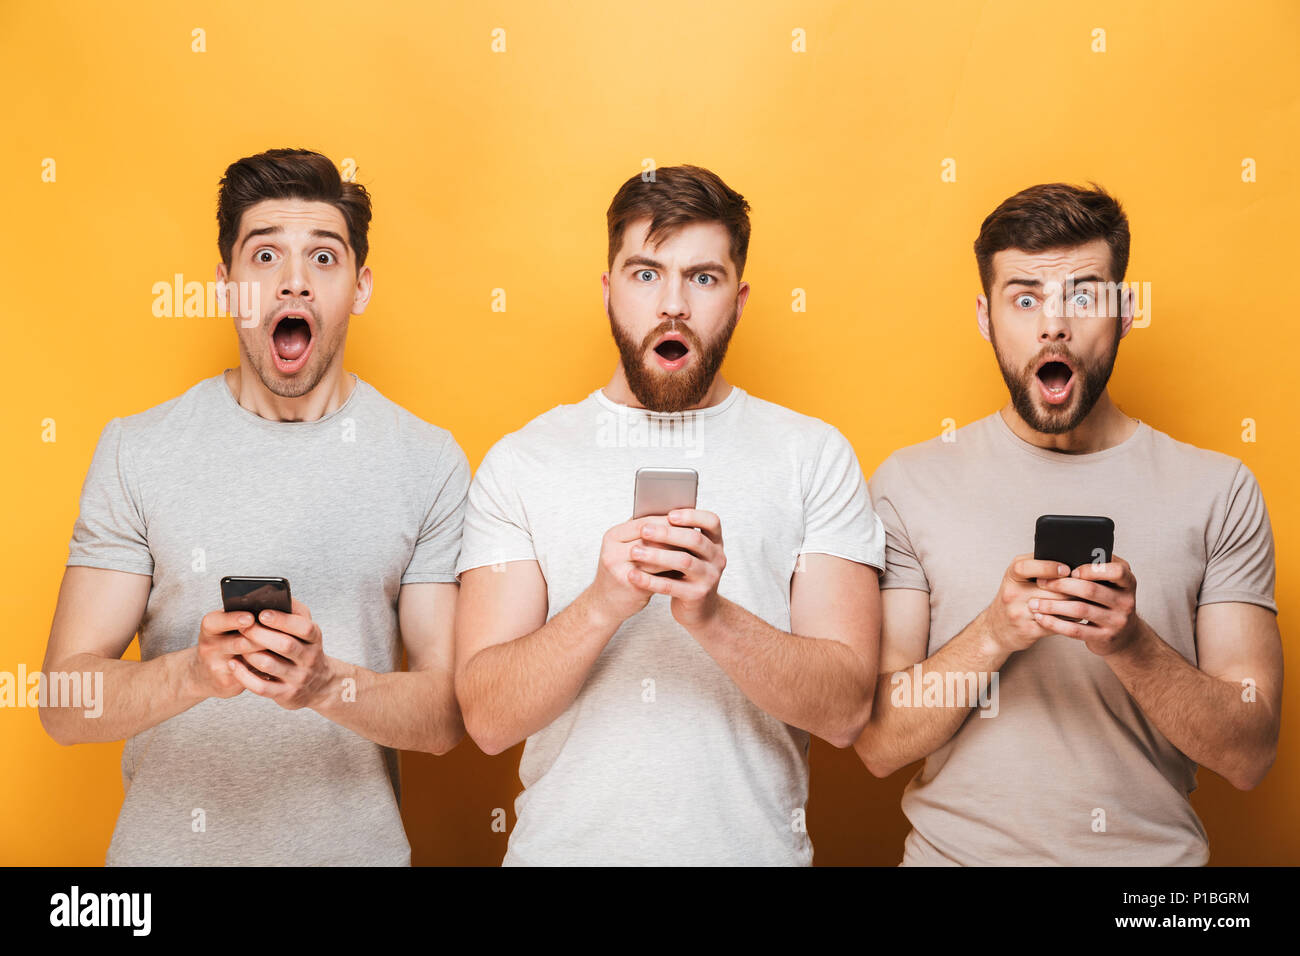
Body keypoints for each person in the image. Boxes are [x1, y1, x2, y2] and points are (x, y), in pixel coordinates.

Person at [40, 147, 469, 865]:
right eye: (264, 256)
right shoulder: (137, 450)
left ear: (360, 288)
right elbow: (61, 701)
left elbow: (446, 716)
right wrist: (194, 674)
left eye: (323, 259)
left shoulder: (428, 461)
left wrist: (328, 685)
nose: (293, 283)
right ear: (226, 284)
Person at [454, 164, 885, 865]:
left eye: (703, 278)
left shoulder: (814, 456)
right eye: (646, 274)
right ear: (608, 290)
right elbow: (488, 718)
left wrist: (712, 616)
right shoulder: (522, 462)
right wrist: (601, 605)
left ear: (739, 300)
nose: (673, 305)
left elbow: (845, 712)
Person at [855, 182, 1282, 865]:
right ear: (984, 316)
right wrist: (996, 632)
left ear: (1127, 311)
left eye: (1084, 296)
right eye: (1024, 299)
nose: (1053, 326)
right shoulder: (909, 484)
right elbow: (879, 743)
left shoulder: (1219, 490)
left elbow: (1252, 752)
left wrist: (1130, 643)